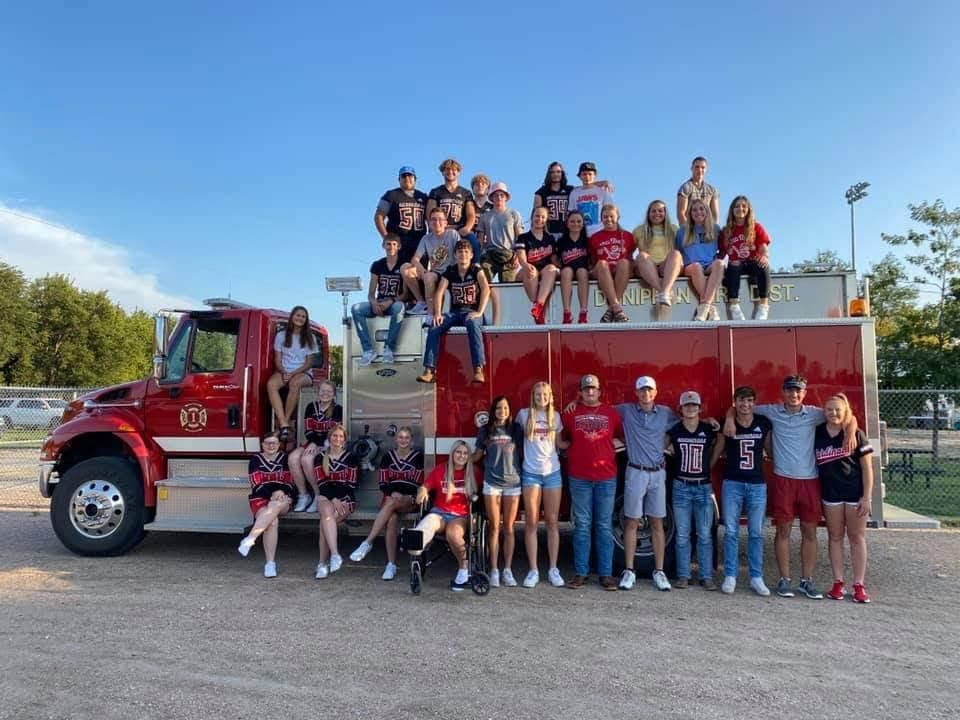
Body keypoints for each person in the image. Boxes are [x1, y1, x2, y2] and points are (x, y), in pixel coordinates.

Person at [724, 375, 857, 599]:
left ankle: (806, 580)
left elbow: (846, 415)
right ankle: (785, 580)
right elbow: (740, 407)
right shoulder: (771, 412)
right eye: (789, 391)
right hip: (784, 479)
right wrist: (729, 418)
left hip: (809, 480)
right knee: (783, 530)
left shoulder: (815, 413)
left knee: (809, 531)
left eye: (798, 391)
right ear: (783, 392)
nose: (794, 395)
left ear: (804, 394)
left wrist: (851, 431)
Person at [614, 375, 677, 591]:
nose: (646, 395)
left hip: (658, 473)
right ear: (636, 393)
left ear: (655, 392)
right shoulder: (626, 411)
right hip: (636, 472)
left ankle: (659, 572)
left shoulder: (666, 413)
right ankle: (629, 571)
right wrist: (576, 401)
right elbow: (600, 411)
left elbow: (686, 423)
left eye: (649, 390)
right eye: (642, 391)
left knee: (657, 523)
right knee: (631, 522)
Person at [562, 374, 623, 590]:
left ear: (599, 391)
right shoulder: (570, 414)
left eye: (593, 389)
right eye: (586, 389)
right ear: (580, 392)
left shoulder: (612, 414)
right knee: (582, 526)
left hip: (606, 477)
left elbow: (621, 437)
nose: (590, 392)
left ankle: (606, 575)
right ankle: (581, 573)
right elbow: (561, 439)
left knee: (604, 526)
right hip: (579, 478)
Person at [815, 393, 874, 603]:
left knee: (856, 537)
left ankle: (859, 584)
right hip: (830, 494)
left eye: (838, 409)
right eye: (829, 409)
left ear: (845, 411)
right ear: (824, 411)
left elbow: (868, 469)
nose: (833, 413)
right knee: (835, 537)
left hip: (854, 494)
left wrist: (867, 497)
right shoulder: (817, 433)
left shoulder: (858, 434)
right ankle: (838, 582)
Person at [715, 386, 773, 596]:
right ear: (735, 402)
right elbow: (719, 447)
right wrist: (707, 469)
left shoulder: (763, 423)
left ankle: (756, 577)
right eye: (741, 400)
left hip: (757, 484)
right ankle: (730, 575)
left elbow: (770, 450)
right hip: (732, 483)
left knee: (756, 532)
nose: (745, 405)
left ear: (754, 402)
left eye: (749, 400)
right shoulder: (727, 423)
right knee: (731, 531)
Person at [349, 426, 424, 580]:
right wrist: (392, 492)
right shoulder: (388, 457)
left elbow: (416, 483)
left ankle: (368, 542)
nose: (403, 440)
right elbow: (383, 483)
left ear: (411, 440)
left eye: (406, 438)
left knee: (392, 501)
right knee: (391, 520)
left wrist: (398, 492)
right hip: (390, 498)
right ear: (396, 439)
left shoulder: (417, 457)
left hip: (408, 499)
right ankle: (391, 565)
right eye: (400, 437)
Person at [409, 440, 482, 592]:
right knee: (429, 522)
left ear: (469, 456)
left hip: (461, 515)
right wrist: (422, 492)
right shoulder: (441, 469)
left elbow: (485, 492)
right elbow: (425, 486)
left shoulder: (474, 472)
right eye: (458, 452)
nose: (461, 456)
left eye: (465, 453)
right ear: (452, 454)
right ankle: (415, 546)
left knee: (453, 534)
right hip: (440, 512)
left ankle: (463, 569)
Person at [416, 239, 491, 385]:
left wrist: (480, 312)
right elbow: (439, 293)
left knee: (472, 323)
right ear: (455, 255)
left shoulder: (476, 269)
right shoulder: (450, 271)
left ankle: (478, 369)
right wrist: (437, 313)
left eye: (466, 252)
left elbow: (486, 289)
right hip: (455, 312)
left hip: (472, 312)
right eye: (460, 252)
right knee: (434, 326)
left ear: (471, 255)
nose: (463, 254)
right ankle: (429, 371)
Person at [516, 381, 568, 588]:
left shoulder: (555, 417)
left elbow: (561, 444)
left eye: (545, 394)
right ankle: (533, 570)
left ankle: (553, 569)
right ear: (533, 396)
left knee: (553, 522)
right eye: (537, 394)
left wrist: (581, 443)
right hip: (530, 474)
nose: (541, 397)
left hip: (552, 473)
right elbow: (507, 427)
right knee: (531, 522)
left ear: (550, 396)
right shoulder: (523, 415)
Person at [665, 391, 719, 590]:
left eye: (694, 405)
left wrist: (710, 465)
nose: (690, 409)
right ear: (680, 409)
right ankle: (683, 575)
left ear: (700, 408)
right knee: (682, 534)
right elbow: (662, 447)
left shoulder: (708, 429)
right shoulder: (675, 430)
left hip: (703, 487)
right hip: (681, 487)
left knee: (704, 534)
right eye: (687, 406)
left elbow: (720, 441)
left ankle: (706, 577)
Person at [473, 396, 524, 588]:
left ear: (509, 410)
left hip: (513, 482)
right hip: (491, 483)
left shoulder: (516, 429)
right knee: (494, 528)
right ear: (493, 410)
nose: (502, 411)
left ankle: (508, 571)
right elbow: (478, 455)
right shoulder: (486, 430)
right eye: (498, 408)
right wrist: (457, 464)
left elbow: (524, 452)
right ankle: (494, 570)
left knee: (509, 528)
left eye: (505, 408)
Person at [238, 432, 298, 578]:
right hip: (260, 498)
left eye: (274, 443)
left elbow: (290, 483)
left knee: (275, 505)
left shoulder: (285, 458)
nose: (271, 446)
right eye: (268, 443)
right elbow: (256, 485)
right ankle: (270, 564)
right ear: (262, 445)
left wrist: (282, 491)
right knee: (272, 521)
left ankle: (251, 538)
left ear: (279, 445)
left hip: (282, 498)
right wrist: (273, 492)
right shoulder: (255, 460)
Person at [351, 233, 405, 365]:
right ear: (383, 246)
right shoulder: (377, 265)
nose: (391, 247)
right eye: (388, 244)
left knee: (400, 307)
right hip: (379, 303)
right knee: (356, 308)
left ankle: (388, 348)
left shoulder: (404, 265)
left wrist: (390, 301)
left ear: (399, 246)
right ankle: (368, 350)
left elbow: (405, 294)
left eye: (394, 244)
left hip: (393, 303)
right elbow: (370, 293)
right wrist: (374, 303)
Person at [313, 424, 359, 579]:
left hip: (346, 499)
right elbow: (321, 483)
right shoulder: (320, 457)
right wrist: (333, 498)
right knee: (327, 515)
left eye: (340, 436)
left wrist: (336, 497)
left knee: (324, 524)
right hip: (327, 498)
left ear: (344, 440)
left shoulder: (351, 458)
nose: (337, 439)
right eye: (334, 436)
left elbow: (351, 484)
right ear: (329, 438)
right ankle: (334, 555)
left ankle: (322, 564)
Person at [289, 380, 342, 512]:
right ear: (318, 392)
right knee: (293, 457)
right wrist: (314, 442)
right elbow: (308, 430)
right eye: (323, 390)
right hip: (312, 442)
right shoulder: (311, 407)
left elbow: (334, 432)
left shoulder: (338, 409)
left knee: (306, 459)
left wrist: (318, 443)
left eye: (329, 391)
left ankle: (319, 495)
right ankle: (303, 495)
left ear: (334, 394)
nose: (325, 393)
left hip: (328, 444)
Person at [477, 181, 524, 325]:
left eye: (501, 195)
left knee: (508, 287)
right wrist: (483, 250)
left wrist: (518, 255)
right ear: (491, 197)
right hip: (490, 253)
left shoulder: (513, 214)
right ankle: (484, 314)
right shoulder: (486, 216)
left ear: (506, 197)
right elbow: (480, 237)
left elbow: (520, 236)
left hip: (509, 254)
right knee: (483, 281)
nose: (499, 198)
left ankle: (508, 319)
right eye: (496, 195)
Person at [267, 306, 316, 442]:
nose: (300, 318)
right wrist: (283, 372)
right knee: (271, 384)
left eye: (303, 316)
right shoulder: (281, 335)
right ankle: (284, 423)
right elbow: (277, 358)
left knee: (295, 383)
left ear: (306, 320)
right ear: (292, 317)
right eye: (298, 315)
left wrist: (293, 373)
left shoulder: (309, 337)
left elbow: (309, 363)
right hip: (284, 370)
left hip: (303, 373)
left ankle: (284, 423)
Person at [720, 196, 772, 321]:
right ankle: (734, 306)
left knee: (763, 265)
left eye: (744, 206)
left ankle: (763, 306)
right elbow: (721, 254)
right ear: (732, 210)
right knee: (733, 266)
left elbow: (764, 248)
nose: (740, 208)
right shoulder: (726, 231)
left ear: (748, 209)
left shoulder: (756, 227)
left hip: (752, 263)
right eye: (737, 206)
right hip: (736, 266)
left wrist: (765, 256)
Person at [402, 206, 460, 319]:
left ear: (445, 222)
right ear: (429, 223)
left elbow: (460, 252)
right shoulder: (426, 238)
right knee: (405, 268)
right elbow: (415, 258)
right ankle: (422, 303)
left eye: (440, 219)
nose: (436, 222)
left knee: (428, 277)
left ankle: (430, 313)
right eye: (433, 219)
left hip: (451, 272)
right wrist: (420, 268)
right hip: (435, 272)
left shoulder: (452, 234)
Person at [633, 199, 684, 320]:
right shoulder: (639, 230)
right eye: (653, 211)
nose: (657, 214)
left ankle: (664, 292)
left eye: (660, 211)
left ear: (665, 213)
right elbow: (628, 251)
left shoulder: (674, 229)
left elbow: (684, 247)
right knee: (642, 256)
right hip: (647, 267)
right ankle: (663, 293)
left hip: (665, 267)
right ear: (648, 213)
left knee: (676, 253)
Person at [677, 198, 725, 321]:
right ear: (690, 213)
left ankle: (704, 306)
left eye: (701, 208)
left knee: (720, 264)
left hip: (709, 265)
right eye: (694, 210)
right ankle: (711, 306)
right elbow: (678, 251)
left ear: (707, 211)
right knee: (697, 266)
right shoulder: (682, 231)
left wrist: (718, 258)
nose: (698, 212)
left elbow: (723, 249)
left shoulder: (715, 229)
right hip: (691, 266)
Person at [588, 203, 634, 322]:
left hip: (620, 271)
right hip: (602, 271)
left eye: (611, 216)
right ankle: (617, 308)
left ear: (617, 217)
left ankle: (612, 308)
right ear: (601, 219)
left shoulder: (628, 236)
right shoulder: (594, 237)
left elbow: (630, 256)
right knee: (602, 263)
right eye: (605, 217)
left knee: (624, 262)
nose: (608, 219)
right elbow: (593, 261)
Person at [425, 157, 478, 260]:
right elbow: (429, 214)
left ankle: (475, 269)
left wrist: (467, 228)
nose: (450, 172)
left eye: (454, 169)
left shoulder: (465, 193)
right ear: (442, 172)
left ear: (458, 172)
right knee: (438, 258)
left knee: (473, 242)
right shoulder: (436, 192)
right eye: (447, 169)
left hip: (459, 228)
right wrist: (437, 229)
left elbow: (471, 215)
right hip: (441, 229)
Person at [375, 166, 428, 264]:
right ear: (399, 179)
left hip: (419, 243)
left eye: (410, 176)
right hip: (399, 243)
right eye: (404, 176)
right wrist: (386, 237)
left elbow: (430, 219)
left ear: (415, 179)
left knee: (420, 274)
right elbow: (379, 216)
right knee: (399, 273)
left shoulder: (423, 197)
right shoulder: (391, 195)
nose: (407, 178)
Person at [516, 206, 560, 324]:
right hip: (529, 270)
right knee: (531, 270)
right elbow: (521, 257)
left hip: (545, 270)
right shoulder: (523, 237)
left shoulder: (550, 238)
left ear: (546, 220)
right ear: (532, 217)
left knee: (551, 268)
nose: (539, 219)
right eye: (537, 216)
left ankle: (539, 306)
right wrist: (525, 265)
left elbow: (554, 259)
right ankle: (536, 307)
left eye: (542, 217)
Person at [556, 210, 592, 324]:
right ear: (567, 223)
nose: (575, 224)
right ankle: (567, 312)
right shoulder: (561, 241)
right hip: (568, 269)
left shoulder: (587, 240)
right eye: (572, 221)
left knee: (582, 272)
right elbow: (555, 258)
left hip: (583, 269)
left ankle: (583, 312)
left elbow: (593, 258)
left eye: (578, 221)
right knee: (566, 271)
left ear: (583, 223)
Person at [567, 161, 614, 236]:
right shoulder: (574, 193)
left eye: (590, 174)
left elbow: (611, 213)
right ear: (580, 176)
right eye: (584, 174)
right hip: (581, 233)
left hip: (600, 232)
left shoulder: (603, 192)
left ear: (595, 175)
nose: (587, 177)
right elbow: (571, 214)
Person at [533, 161, 575, 240]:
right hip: (549, 233)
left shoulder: (570, 189)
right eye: (553, 172)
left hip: (567, 232)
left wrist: (598, 184)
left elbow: (584, 189)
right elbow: (535, 214)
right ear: (549, 174)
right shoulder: (541, 192)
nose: (556, 174)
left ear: (562, 173)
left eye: (558, 172)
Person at [676, 156, 720, 229]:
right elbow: (681, 213)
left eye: (703, 167)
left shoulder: (712, 190)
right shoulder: (685, 188)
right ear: (691, 168)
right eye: (697, 167)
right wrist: (687, 232)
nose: (700, 170)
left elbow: (715, 215)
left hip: (707, 230)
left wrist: (712, 230)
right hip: (690, 229)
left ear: (706, 170)